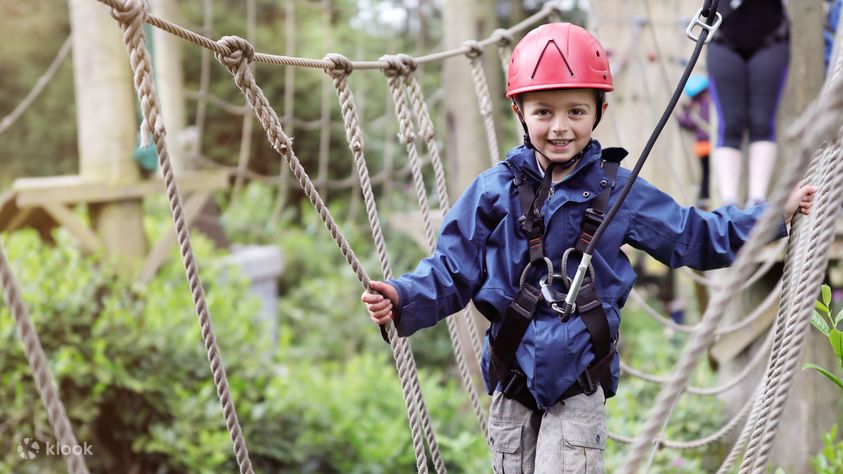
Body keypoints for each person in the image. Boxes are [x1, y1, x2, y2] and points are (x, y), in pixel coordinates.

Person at [362, 23, 815, 473]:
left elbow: (692, 236)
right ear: (519, 110)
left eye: (576, 111)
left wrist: (775, 214)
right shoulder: (492, 192)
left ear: (600, 109)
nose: (560, 127)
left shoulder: (619, 192)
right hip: (512, 382)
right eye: (544, 112)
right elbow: (451, 269)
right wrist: (403, 298)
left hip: (579, 386)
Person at [707, 0, 790, 208]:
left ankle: (757, 202)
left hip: (770, 37)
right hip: (723, 38)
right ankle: (729, 205)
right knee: (730, 125)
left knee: (762, 123)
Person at [676, 74, 712, 210]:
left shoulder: (695, 106)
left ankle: (704, 196)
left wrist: (681, 112)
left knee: (706, 172)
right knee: (709, 172)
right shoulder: (710, 102)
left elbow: (688, 123)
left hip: (702, 145)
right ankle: (705, 195)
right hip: (711, 144)